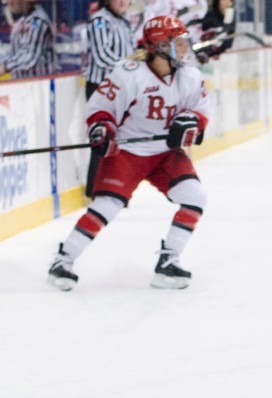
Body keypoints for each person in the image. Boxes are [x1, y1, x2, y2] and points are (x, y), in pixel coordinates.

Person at [47, 16, 210, 291]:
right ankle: (63, 261)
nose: (185, 48)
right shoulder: (128, 73)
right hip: (127, 151)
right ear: (158, 45)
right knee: (106, 206)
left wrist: (192, 122)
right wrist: (102, 128)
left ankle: (168, 261)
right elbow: (101, 109)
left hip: (166, 153)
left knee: (195, 197)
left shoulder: (190, 76)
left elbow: (201, 111)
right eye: (178, 42)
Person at [84, 0, 136, 198]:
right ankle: (95, 191)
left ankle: (113, 187)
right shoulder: (99, 21)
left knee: (120, 138)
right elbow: (102, 55)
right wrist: (130, 68)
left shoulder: (124, 22)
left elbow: (132, 54)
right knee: (101, 136)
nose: (123, 1)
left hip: (122, 87)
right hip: (101, 88)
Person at [0, 0, 56, 79]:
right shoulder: (22, 21)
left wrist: (4, 67)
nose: (7, 2)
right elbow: (14, 55)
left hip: (41, 87)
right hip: (23, 86)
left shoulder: (37, 20)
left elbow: (29, 56)